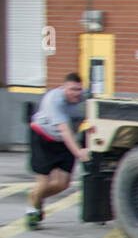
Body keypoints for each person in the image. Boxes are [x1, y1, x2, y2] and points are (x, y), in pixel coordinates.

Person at [26, 73, 90, 230]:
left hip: (63, 142)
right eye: (72, 89)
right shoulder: (54, 100)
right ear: (63, 87)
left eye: (79, 89)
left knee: (63, 184)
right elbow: (64, 131)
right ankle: (33, 211)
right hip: (43, 138)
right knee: (44, 182)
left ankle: (35, 196)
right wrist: (78, 153)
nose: (76, 93)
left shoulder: (83, 98)